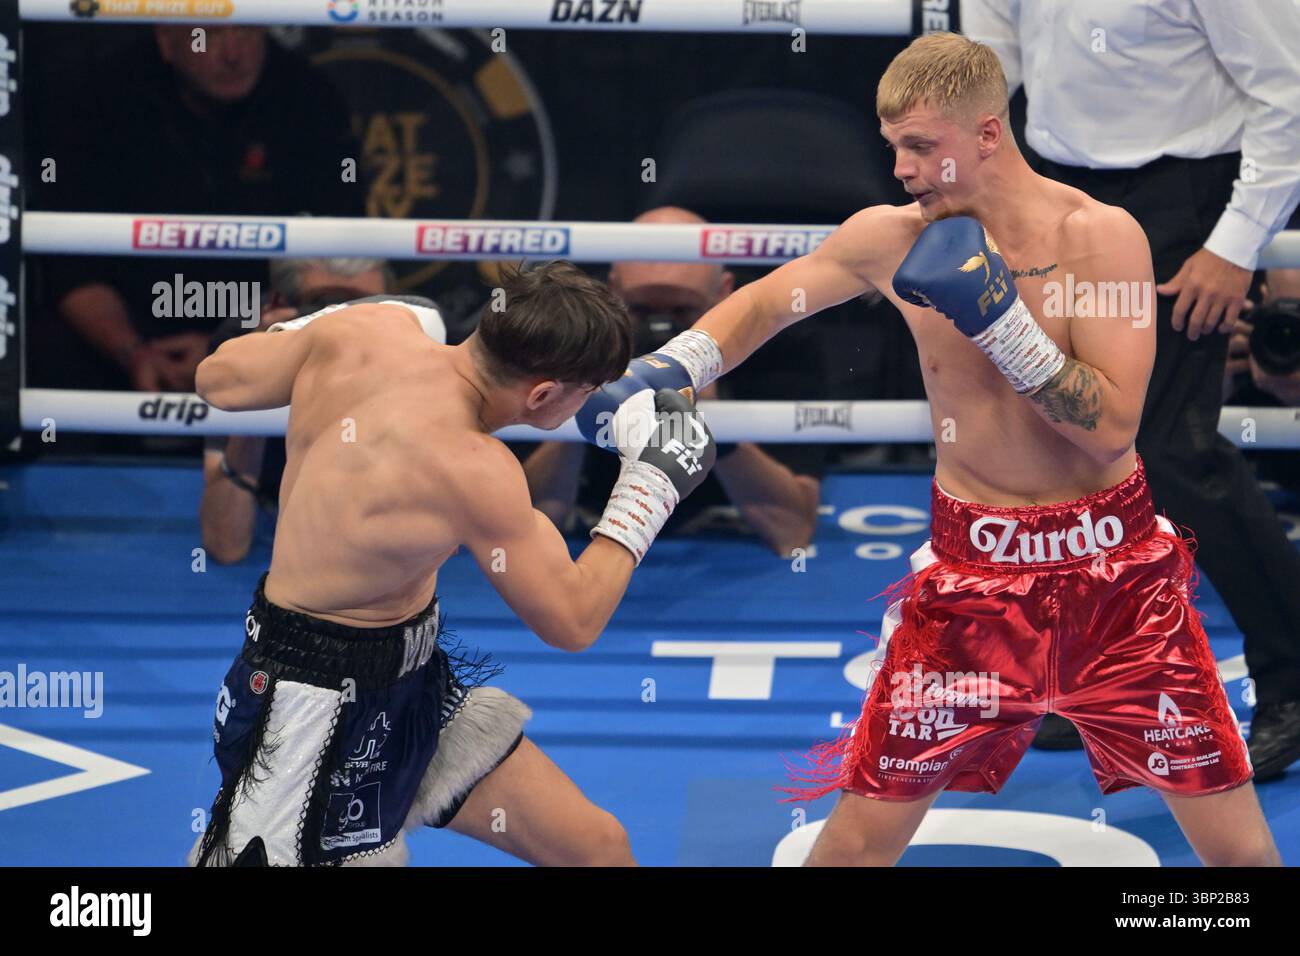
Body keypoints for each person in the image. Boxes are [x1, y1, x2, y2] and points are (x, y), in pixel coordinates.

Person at [599, 32, 1278, 865]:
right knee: (852, 846)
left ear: (988, 135)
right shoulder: (892, 236)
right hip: (971, 586)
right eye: (894, 149)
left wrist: (1001, 322)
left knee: (1240, 860)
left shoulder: (1099, 238)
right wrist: (670, 368)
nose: (903, 171)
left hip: (1116, 582)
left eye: (922, 147)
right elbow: (768, 306)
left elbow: (1108, 428)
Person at [188, 261, 716, 866]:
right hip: (306, 710)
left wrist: (314, 330)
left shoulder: (370, 327)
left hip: (409, 679)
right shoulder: (473, 468)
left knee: (598, 850)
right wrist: (647, 491)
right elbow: (574, 620)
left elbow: (217, 379)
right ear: (543, 393)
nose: (589, 405)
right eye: (587, 391)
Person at [963, 0, 1300, 777]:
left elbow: (1286, 92)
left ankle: (1293, 675)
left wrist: (1235, 246)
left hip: (1183, 199)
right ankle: (1096, 681)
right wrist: (972, 167)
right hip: (1052, 184)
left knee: (1170, 452)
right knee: (1059, 436)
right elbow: (991, 52)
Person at [32, 25, 362, 397]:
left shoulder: (308, 99)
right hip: (127, 333)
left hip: (260, 330)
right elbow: (70, 266)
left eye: (247, 32)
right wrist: (132, 351)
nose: (233, 53)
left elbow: (340, 270)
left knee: (345, 336)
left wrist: (229, 343)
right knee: (46, 352)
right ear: (166, 40)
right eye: (210, 34)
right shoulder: (102, 101)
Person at [526, 207, 824, 556]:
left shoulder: (779, 342)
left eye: (682, 312)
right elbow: (530, 525)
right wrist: (583, 403)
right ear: (612, 292)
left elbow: (791, 534)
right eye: (640, 311)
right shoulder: (563, 337)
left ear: (724, 291)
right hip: (597, 544)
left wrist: (711, 416)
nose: (659, 330)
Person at [201, 258, 402, 564]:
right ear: (285, 304)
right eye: (324, 305)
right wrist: (263, 375)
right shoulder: (242, 341)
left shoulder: (428, 345)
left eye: (363, 306)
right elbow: (226, 545)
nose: (343, 321)